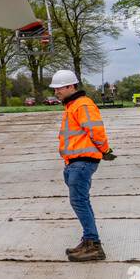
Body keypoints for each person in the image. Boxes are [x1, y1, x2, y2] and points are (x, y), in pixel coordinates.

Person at [50, 69, 116, 262]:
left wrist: (105, 150)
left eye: (59, 88)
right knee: (81, 201)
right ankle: (89, 240)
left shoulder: (82, 105)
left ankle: (93, 244)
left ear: (71, 86)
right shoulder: (73, 106)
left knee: (79, 201)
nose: (56, 92)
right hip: (75, 162)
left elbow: (96, 131)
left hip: (83, 162)